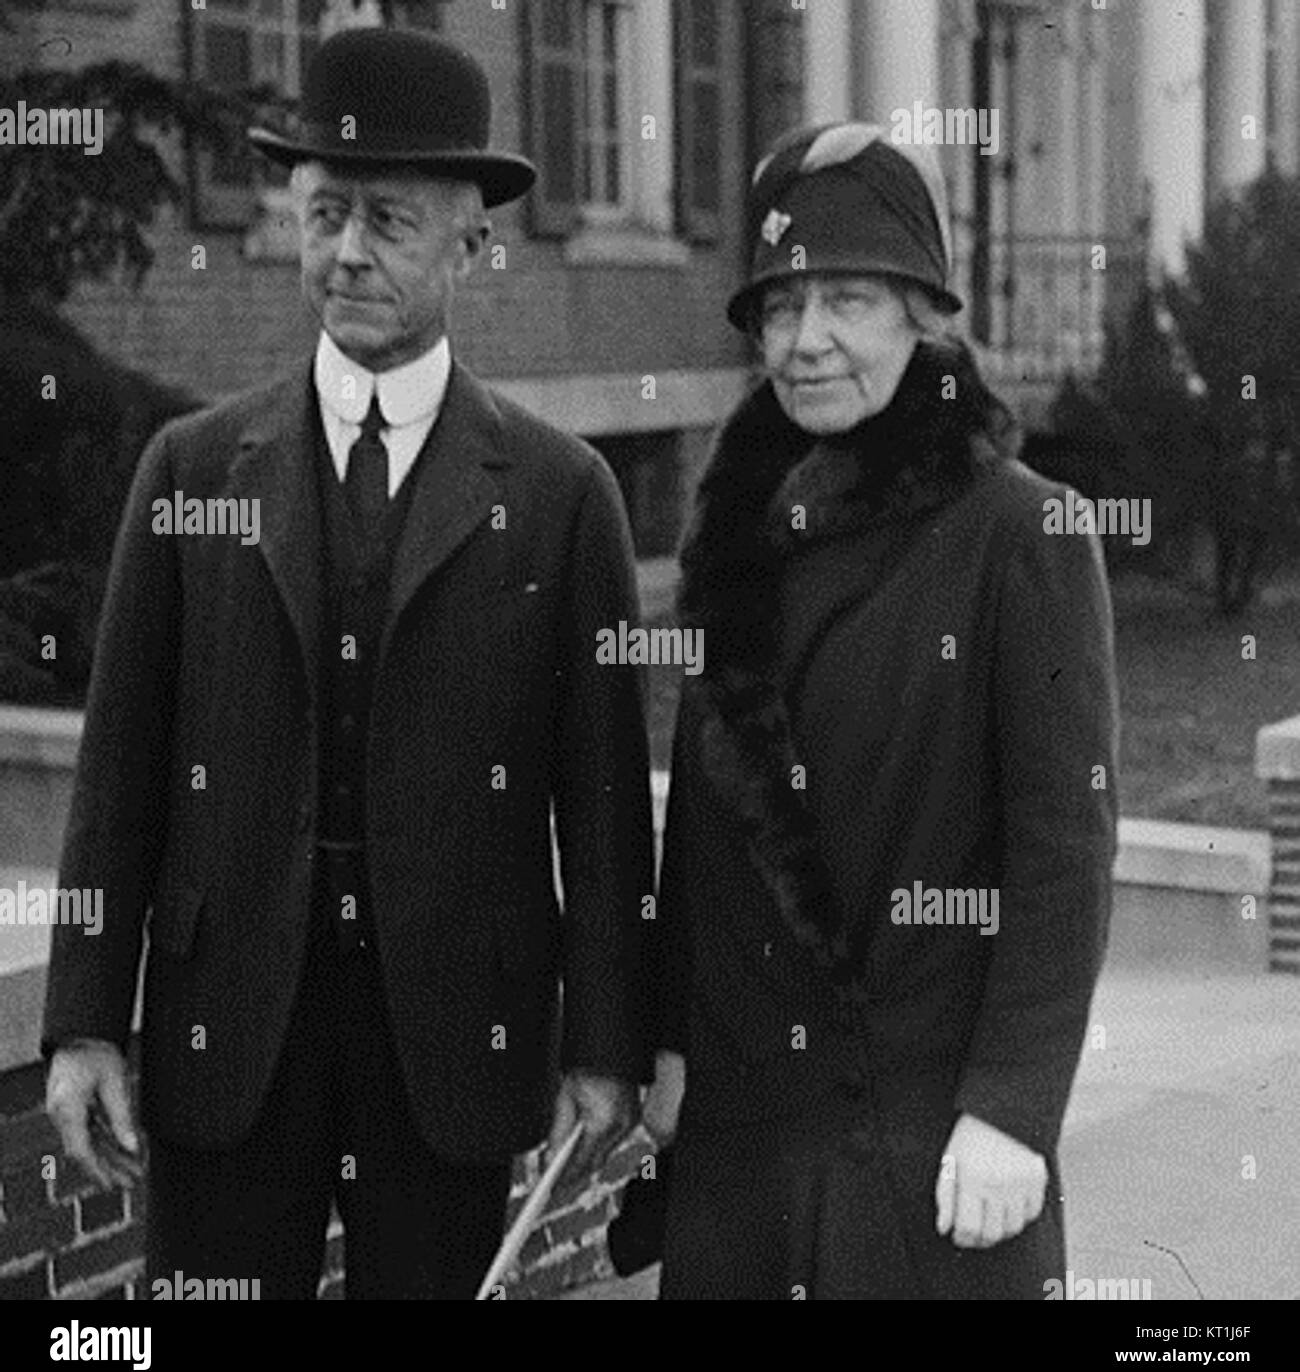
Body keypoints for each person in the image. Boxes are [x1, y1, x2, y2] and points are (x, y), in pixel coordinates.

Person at [41, 27, 653, 1300]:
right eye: (324, 214)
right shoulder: (194, 471)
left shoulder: (559, 495)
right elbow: (119, 774)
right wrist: (87, 1018)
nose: (347, 253)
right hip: (231, 1022)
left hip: (450, 1039)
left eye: (387, 219)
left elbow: (600, 803)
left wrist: (606, 1037)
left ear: (469, 243)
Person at [642, 121, 1119, 1300]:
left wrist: (1013, 1108)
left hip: (929, 1155)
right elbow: (701, 836)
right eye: (779, 307)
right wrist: (663, 1035)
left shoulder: (1020, 532)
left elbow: (1064, 844)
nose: (806, 343)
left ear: (924, 315)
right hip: (742, 1151)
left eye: (846, 300)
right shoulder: (736, 540)